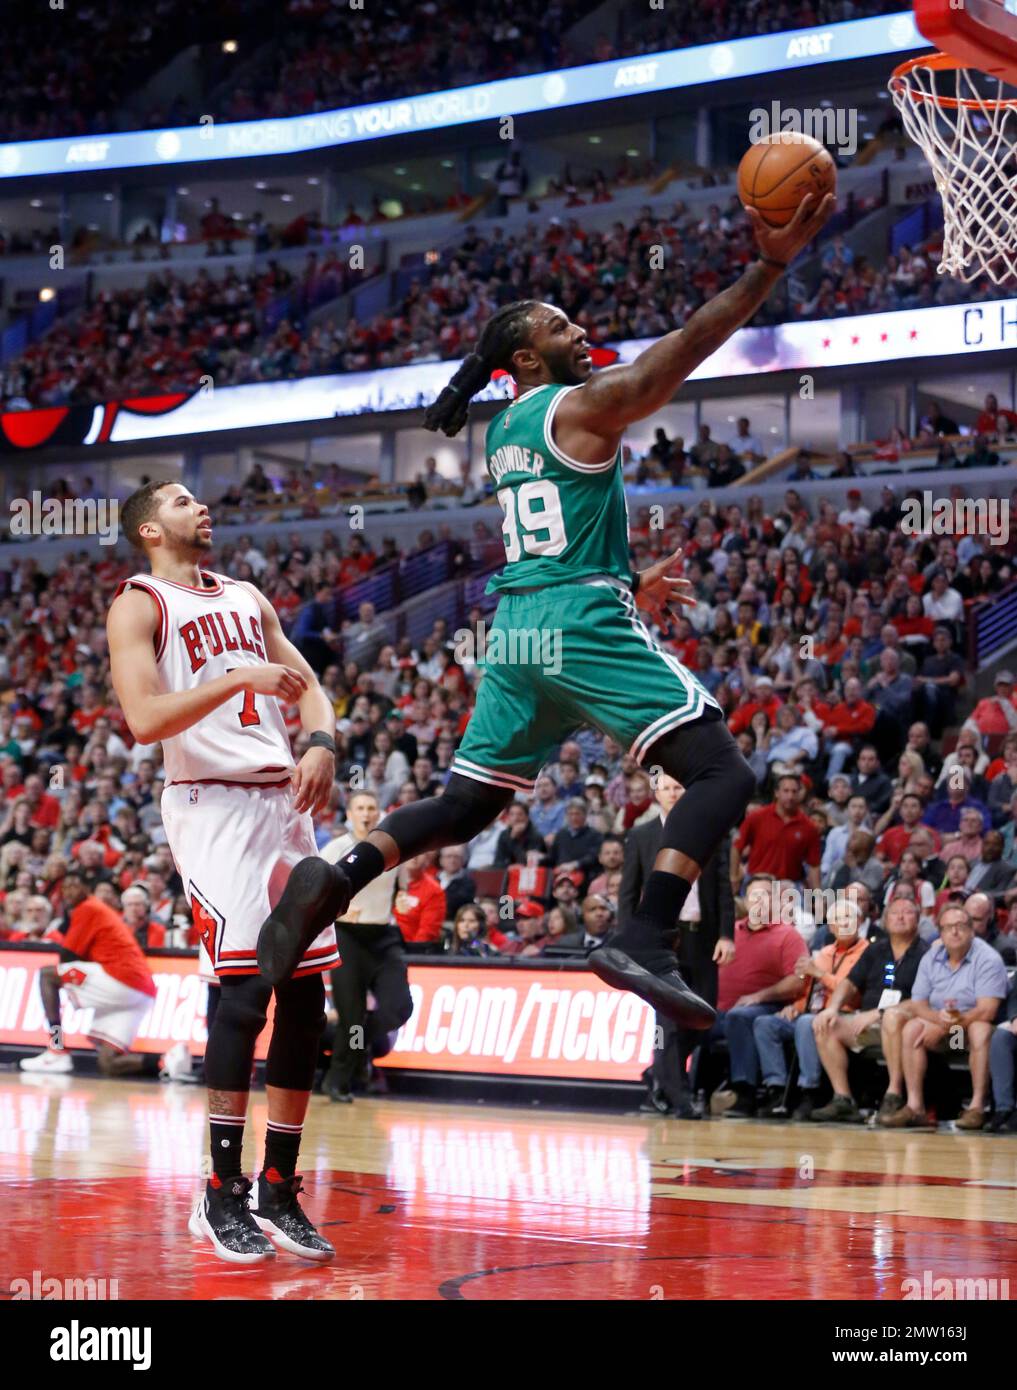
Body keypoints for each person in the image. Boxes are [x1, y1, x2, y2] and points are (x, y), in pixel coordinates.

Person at [256, 189, 836, 1029]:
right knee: (724, 772)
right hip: (572, 621)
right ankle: (640, 935)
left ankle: (338, 878)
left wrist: (625, 582)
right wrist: (770, 265)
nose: (580, 336)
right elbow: (677, 354)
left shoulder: (506, 432)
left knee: (468, 803)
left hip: (519, 630)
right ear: (527, 362)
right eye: (562, 329)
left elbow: (552, 531)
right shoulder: (577, 405)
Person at [106, 480, 340, 1264]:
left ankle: (279, 1185)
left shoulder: (245, 596)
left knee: (306, 995)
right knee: (243, 992)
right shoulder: (139, 603)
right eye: (180, 501)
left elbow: (311, 691)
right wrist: (237, 680)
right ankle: (219, 1192)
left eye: (198, 498)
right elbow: (143, 721)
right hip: (211, 807)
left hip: (284, 803)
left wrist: (321, 744)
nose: (199, 506)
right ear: (149, 529)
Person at [619, 773, 735, 1117]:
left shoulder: (710, 832)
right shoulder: (641, 836)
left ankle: (658, 1074)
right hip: (661, 939)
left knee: (703, 1015)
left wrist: (727, 934)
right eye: (666, 788)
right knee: (667, 1020)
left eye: (678, 787)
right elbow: (627, 893)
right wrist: (630, 940)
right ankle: (680, 1096)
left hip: (702, 936)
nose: (672, 793)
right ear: (656, 794)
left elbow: (723, 890)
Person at [19, 869, 167, 1077]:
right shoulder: (94, 909)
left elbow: (67, 958)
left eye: (75, 885)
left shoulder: (88, 908)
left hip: (122, 979)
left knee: (47, 975)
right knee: (108, 1063)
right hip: (141, 993)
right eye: (66, 887)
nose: (70, 891)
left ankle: (57, 1047)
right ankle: (168, 1062)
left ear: (87, 889)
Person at [879, 903, 1009, 1130]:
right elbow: (918, 1003)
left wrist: (948, 1026)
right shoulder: (931, 957)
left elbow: (987, 1010)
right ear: (940, 932)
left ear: (971, 930)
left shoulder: (988, 959)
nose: (954, 932)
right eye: (948, 927)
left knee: (981, 1029)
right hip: (941, 1027)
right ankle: (915, 1107)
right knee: (911, 1028)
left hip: (967, 1031)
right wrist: (938, 1021)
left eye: (960, 926)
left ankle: (977, 1107)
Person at [320, 790, 407, 1103]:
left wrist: (404, 900)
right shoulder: (336, 849)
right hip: (347, 936)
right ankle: (338, 1081)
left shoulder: (392, 846)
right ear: (350, 813)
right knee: (350, 1018)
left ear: (379, 812)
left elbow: (402, 886)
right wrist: (337, 907)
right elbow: (318, 892)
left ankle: (357, 1056)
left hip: (384, 936)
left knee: (399, 1008)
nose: (367, 813)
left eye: (372, 807)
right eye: (360, 808)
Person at [809, 897, 928, 1122]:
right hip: (867, 1022)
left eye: (907, 912)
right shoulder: (876, 949)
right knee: (825, 1025)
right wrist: (832, 1008)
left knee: (892, 1017)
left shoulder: (927, 953)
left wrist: (880, 1012)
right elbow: (849, 983)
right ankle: (842, 1098)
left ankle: (893, 1094)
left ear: (918, 919)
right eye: (894, 913)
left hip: (904, 1023)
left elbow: (926, 1000)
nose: (900, 917)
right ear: (884, 920)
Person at [752, 898, 869, 1118]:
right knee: (765, 1024)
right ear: (831, 926)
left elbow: (853, 993)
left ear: (859, 922)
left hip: (846, 1015)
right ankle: (775, 1088)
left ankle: (810, 1090)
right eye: (837, 919)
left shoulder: (867, 952)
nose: (843, 923)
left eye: (848, 918)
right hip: (812, 1012)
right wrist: (795, 1007)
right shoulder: (823, 952)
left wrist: (820, 974)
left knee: (807, 1022)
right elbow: (809, 991)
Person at [987, 973, 1017, 1131]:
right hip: (954, 1028)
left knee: (978, 1032)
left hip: (959, 1026)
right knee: (1001, 1037)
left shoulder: (987, 959)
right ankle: (1003, 1109)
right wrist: (1015, 1017)